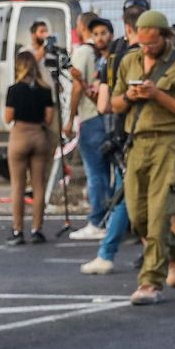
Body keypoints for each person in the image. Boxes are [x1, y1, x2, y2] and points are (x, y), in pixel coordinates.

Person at [109, 9, 175, 305]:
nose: (146, 49)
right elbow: (114, 104)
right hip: (137, 142)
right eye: (141, 43)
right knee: (137, 218)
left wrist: (158, 95)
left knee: (160, 214)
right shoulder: (129, 61)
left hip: (169, 143)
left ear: (165, 37)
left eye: (151, 43)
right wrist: (130, 98)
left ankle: (150, 282)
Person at [4, 49, 57, 245]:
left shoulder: (14, 90)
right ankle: (37, 229)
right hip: (39, 136)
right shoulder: (45, 90)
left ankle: (18, 231)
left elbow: (8, 117)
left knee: (18, 186)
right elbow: (49, 118)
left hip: (19, 136)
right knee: (38, 185)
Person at [69, 16, 116, 239]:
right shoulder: (101, 56)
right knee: (105, 173)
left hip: (91, 118)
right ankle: (108, 218)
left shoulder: (83, 53)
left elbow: (79, 89)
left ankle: (97, 220)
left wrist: (70, 118)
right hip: (105, 117)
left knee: (95, 172)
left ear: (81, 27)